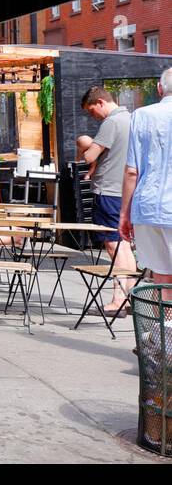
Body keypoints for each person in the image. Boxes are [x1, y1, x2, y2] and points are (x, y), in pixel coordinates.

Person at [77, 87, 136, 315]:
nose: (93, 116)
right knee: (125, 245)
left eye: (92, 111)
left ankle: (118, 299)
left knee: (114, 245)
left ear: (101, 102)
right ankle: (128, 297)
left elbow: (90, 156)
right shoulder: (131, 119)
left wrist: (83, 145)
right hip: (123, 190)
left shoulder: (111, 122)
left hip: (108, 191)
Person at [121, 68, 172, 297]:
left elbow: (132, 171)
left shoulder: (141, 115)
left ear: (160, 89)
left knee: (161, 273)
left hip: (147, 206)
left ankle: (166, 328)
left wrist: (125, 213)